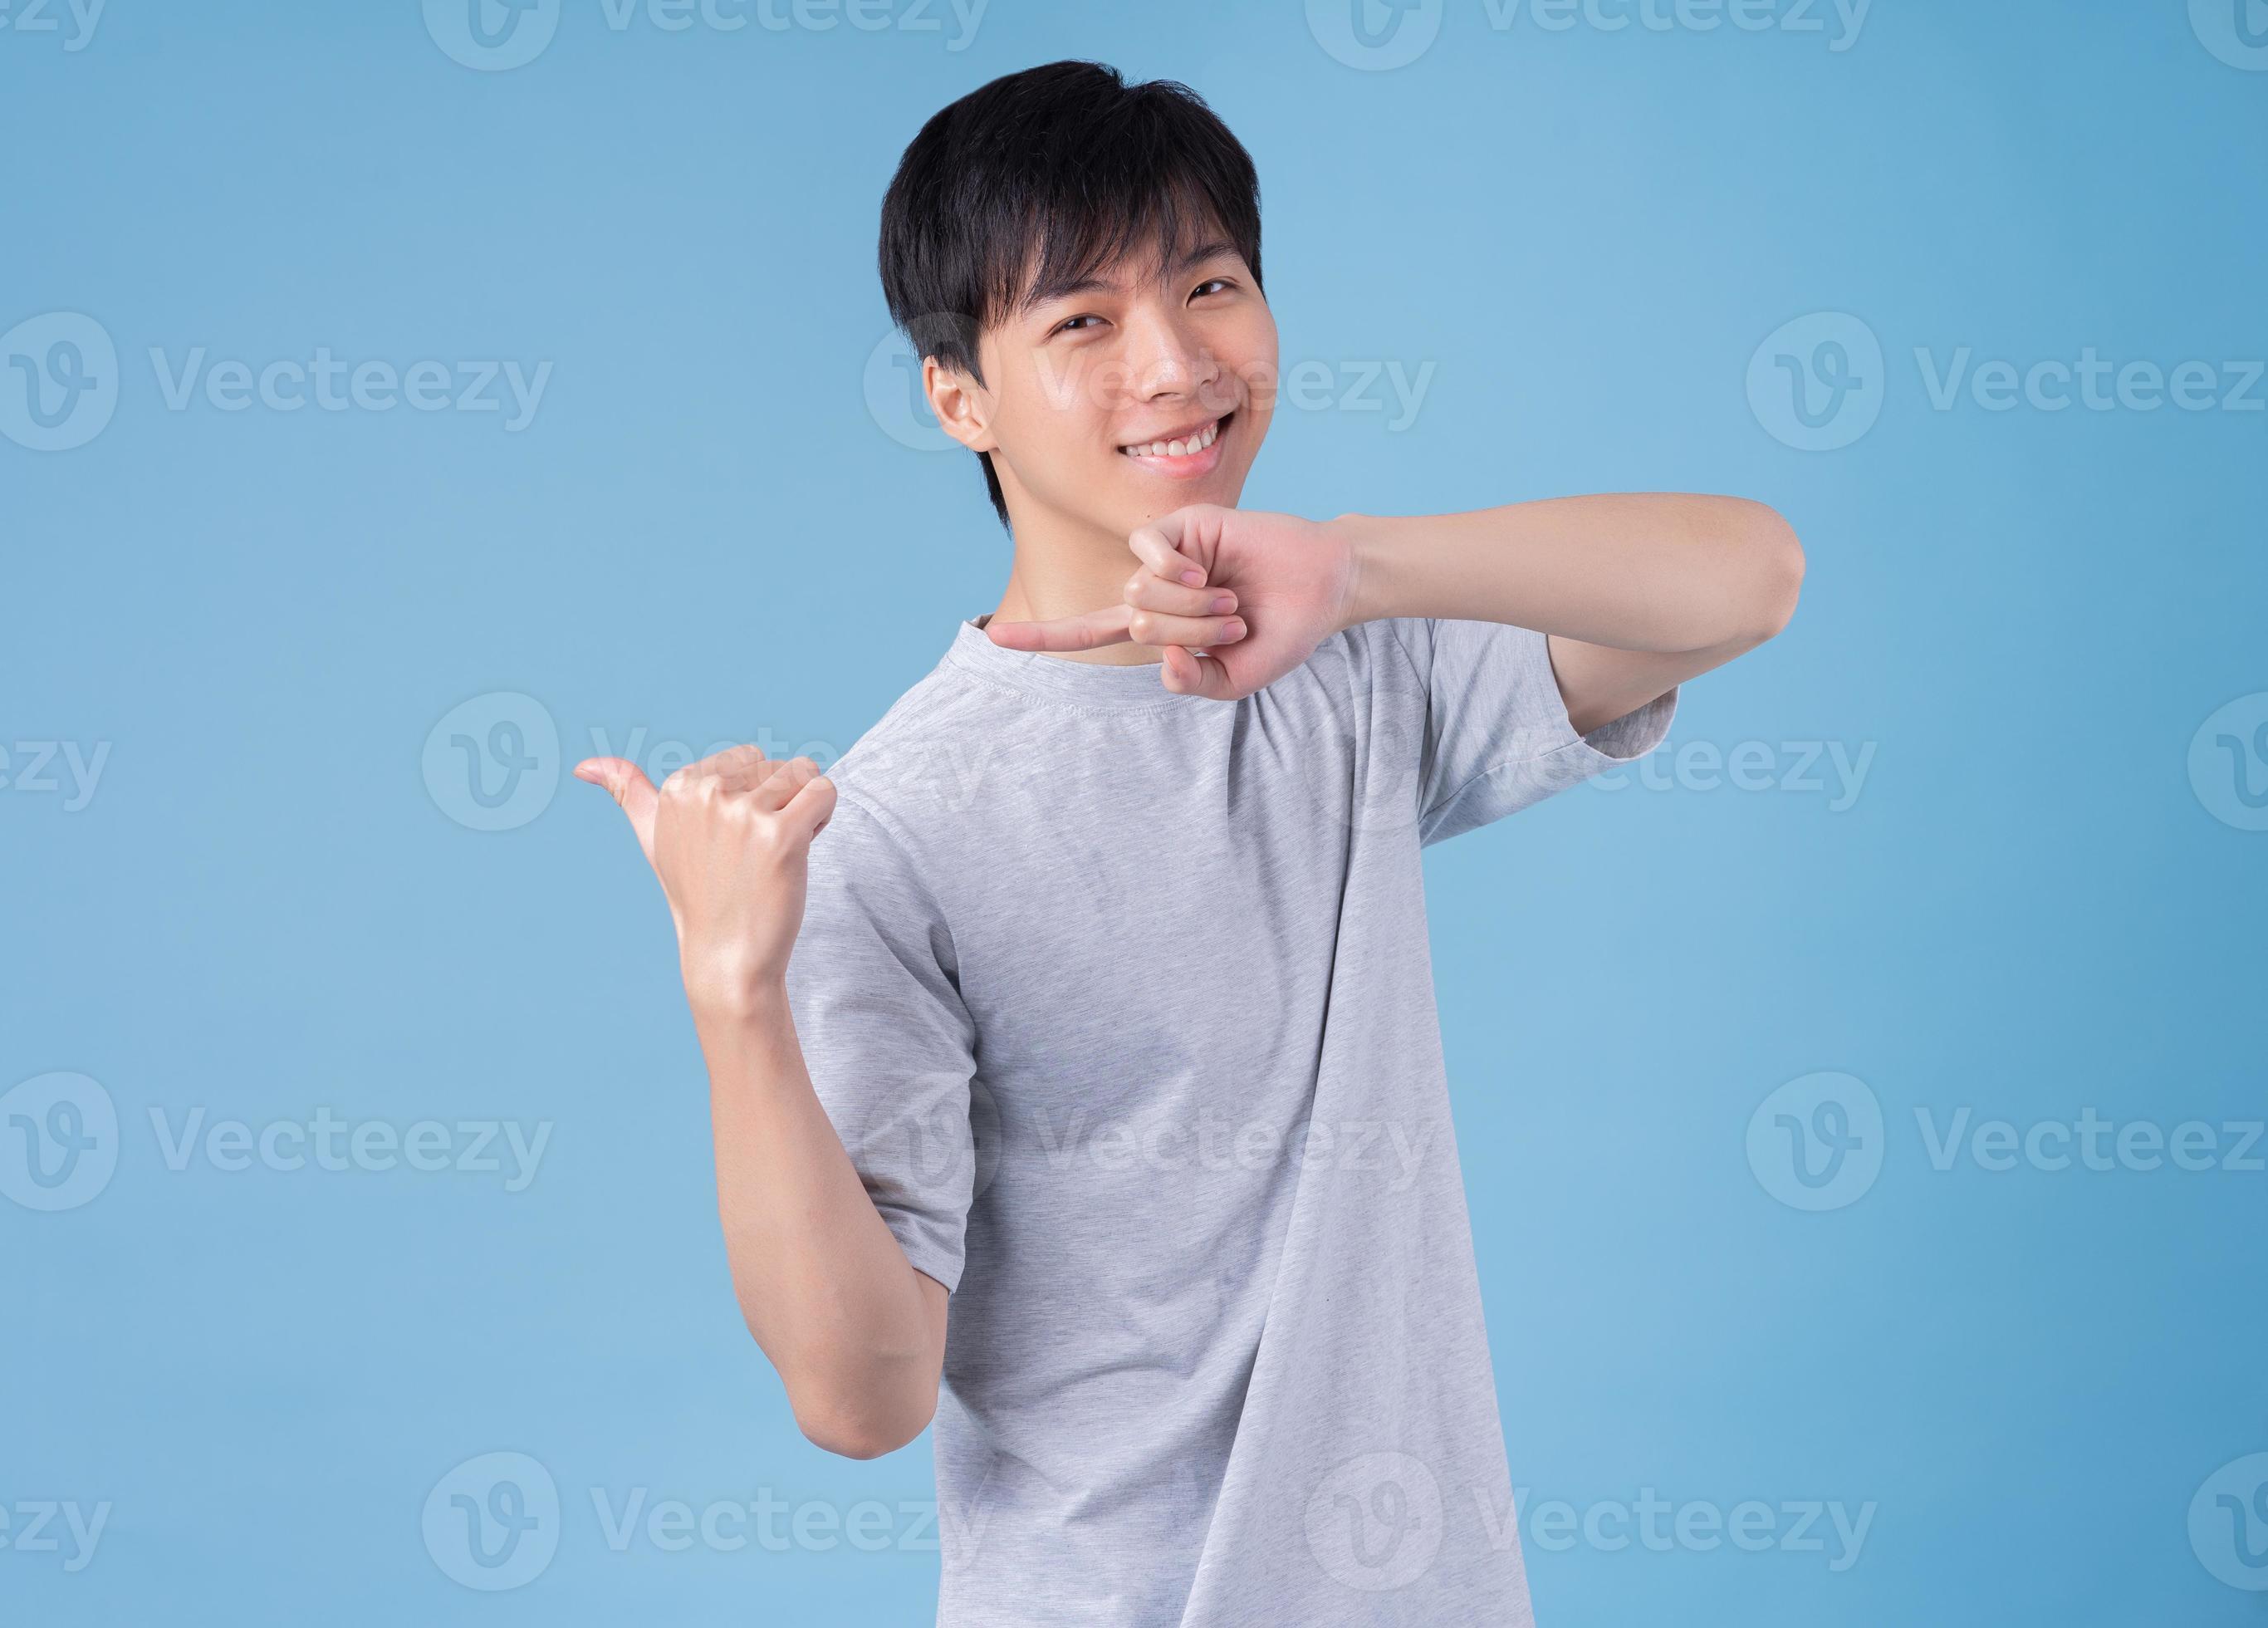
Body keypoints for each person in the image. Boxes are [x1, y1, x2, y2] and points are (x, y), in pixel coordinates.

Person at [575, 59, 1801, 1628]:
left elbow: (1747, 579)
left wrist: (1353, 571)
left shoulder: (1354, 666)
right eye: (1082, 320)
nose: (1175, 362)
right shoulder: (894, 829)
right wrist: (732, 996)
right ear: (959, 395)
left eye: (1213, 287)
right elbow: (862, 1397)